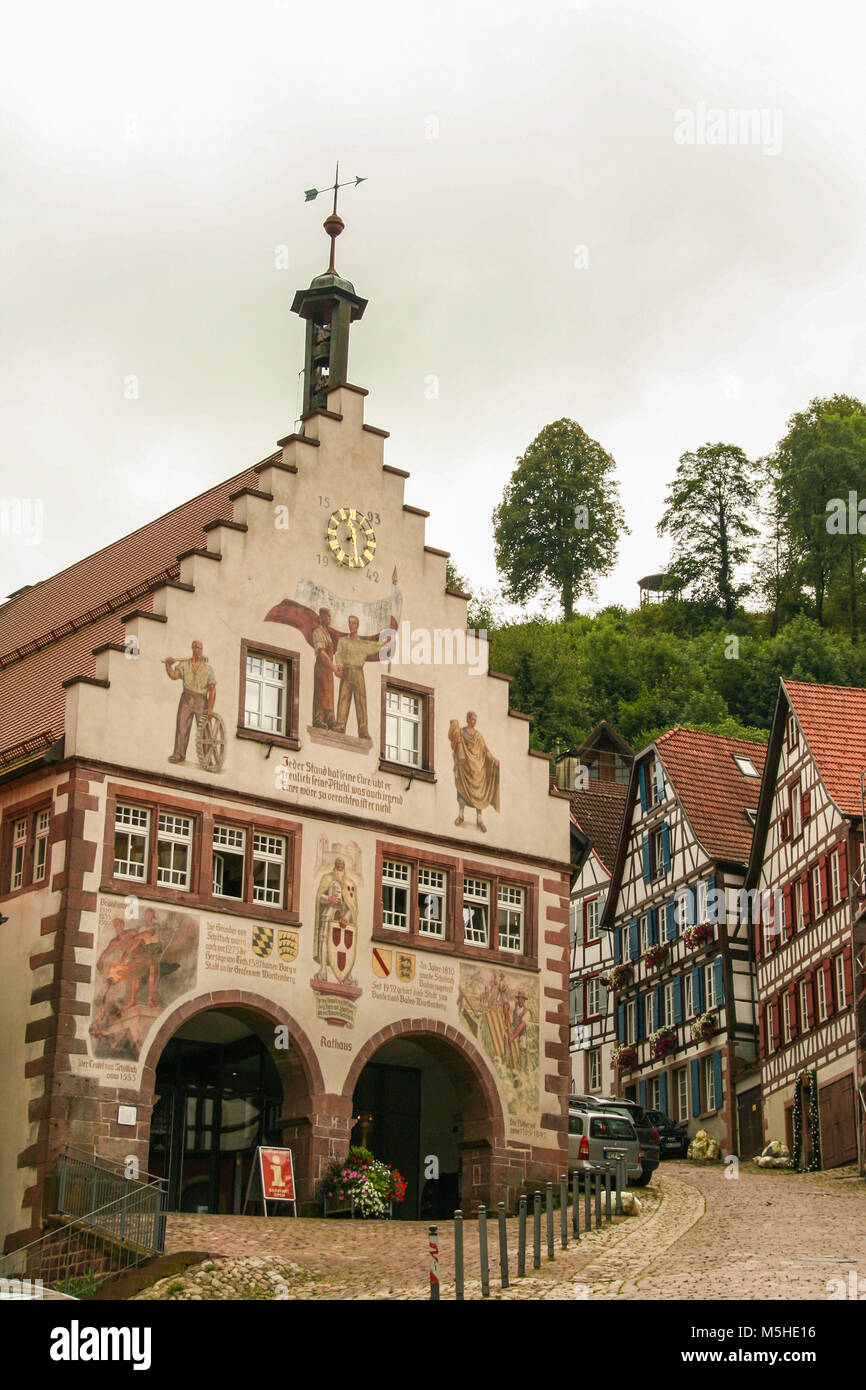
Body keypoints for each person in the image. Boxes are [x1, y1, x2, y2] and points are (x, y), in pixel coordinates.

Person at [333, 616, 388, 739]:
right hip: (347, 670)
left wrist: (385, 643)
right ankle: (340, 725)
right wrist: (338, 666)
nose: (351, 625)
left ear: (357, 625)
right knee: (343, 698)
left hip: (358, 672)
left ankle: (363, 730)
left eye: (353, 623)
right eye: (350, 623)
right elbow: (339, 654)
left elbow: (374, 646)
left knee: (361, 701)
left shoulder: (362, 643)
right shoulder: (343, 641)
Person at [165, 641, 216, 764]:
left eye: (201, 648)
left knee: (204, 731)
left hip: (201, 700)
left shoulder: (208, 669)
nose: (200, 651)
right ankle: (178, 754)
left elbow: (212, 689)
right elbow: (173, 676)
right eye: (198, 648)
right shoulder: (184, 665)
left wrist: (210, 708)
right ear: (193, 648)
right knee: (182, 727)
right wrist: (168, 665)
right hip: (186, 698)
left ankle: (207, 758)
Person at [449, 711, 500, 832]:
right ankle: (461, 816)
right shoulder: (460, 731)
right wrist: (457, 741)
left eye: (475, 720)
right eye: (472, 719)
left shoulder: (478, 736)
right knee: (461, 790)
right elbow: (452, 746)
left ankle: (479, 819)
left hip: (477, 768)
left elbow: (485, 750)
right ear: (467, 719)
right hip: (464, 767)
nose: (474, 722)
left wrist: (493, 759)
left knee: (479, 793)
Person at [311, 608, 338, 728]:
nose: (329, 618)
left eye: (330, 616)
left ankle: (330, 720)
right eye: (327, 616)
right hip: (322, 667)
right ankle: (318, 719)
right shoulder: (318, 632)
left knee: (328, 695)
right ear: (321, 617)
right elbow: (321, 653)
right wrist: (333, 667)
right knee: (321, 693)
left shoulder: (327, 633)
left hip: (328, 669)